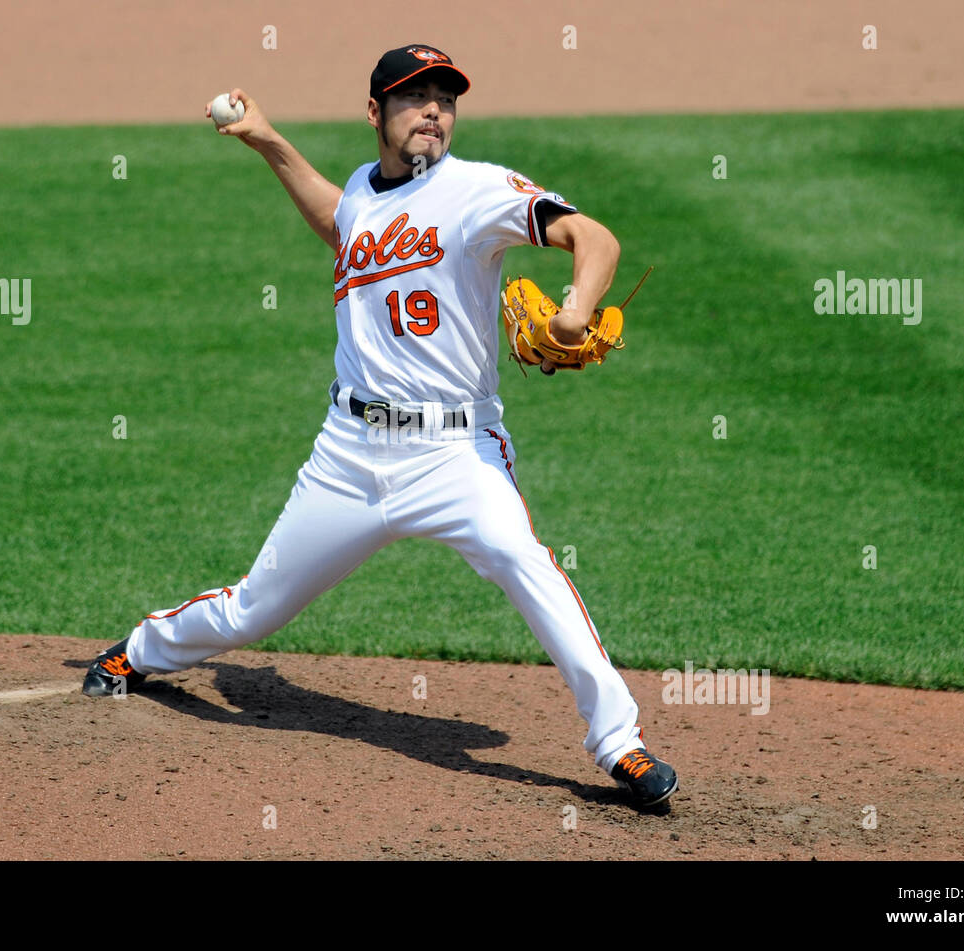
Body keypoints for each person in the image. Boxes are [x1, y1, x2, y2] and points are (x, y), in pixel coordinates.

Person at [82, 44, 677, 810]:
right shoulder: (366, 188)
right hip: (350, 455)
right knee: (256, 606)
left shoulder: (480, 190)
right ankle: (141, 650)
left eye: (445, 98)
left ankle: (618, 743)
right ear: (375, 113)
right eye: (413, 96)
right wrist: (267, 139)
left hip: (457, 453)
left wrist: (573, 311)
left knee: (524, 560)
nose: (433, 110)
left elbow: (595, 239)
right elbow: (342, 221)